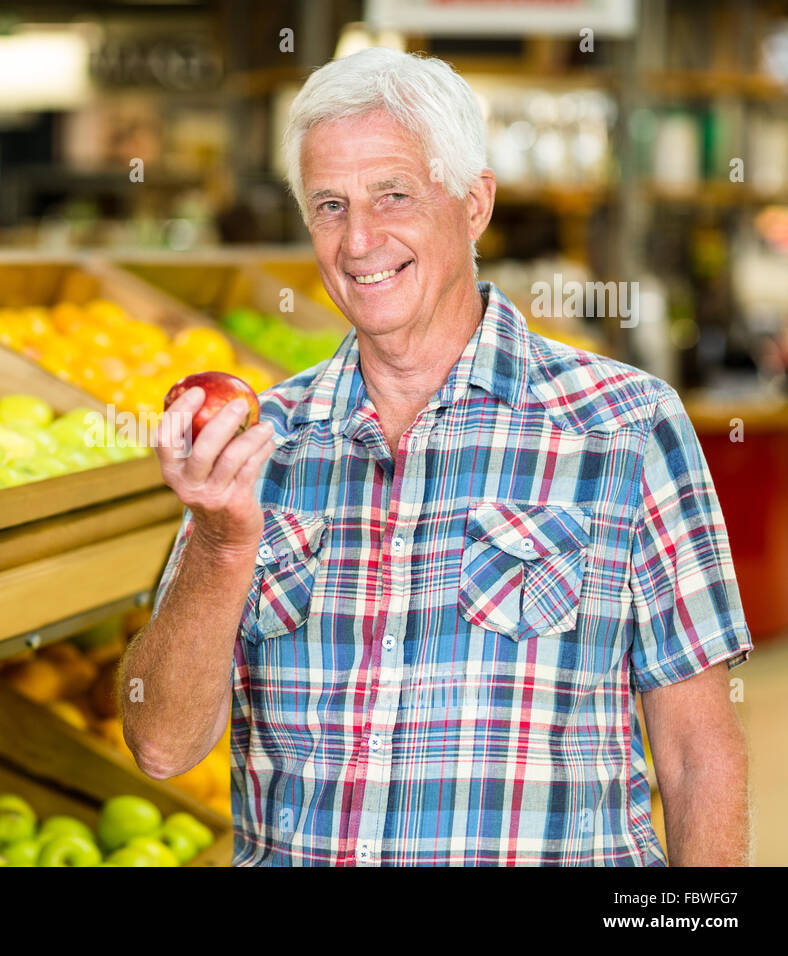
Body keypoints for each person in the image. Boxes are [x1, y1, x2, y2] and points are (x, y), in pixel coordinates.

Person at [121, 47, 753, 866]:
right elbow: (162, 746)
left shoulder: (623, 425)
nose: (359, 241)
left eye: (394, 195)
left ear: (475, 202)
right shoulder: (258, 440)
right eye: (329, 205)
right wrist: (221, 543)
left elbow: (699, 756)